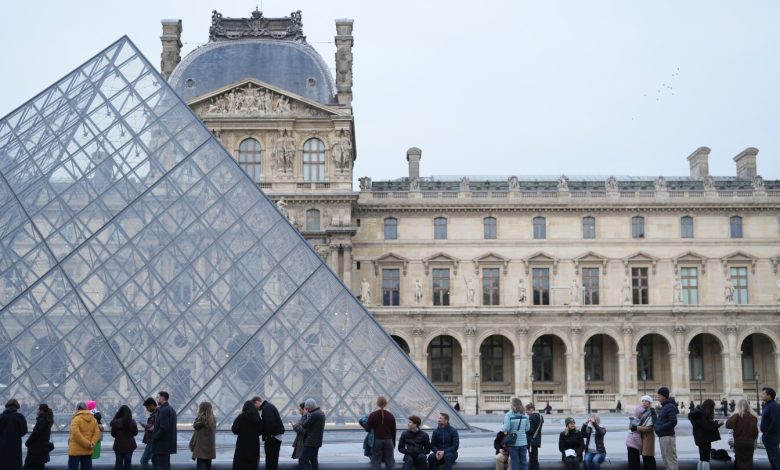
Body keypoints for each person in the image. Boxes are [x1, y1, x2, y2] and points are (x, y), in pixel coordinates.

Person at [688, 399, 723, 470]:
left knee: (702, 458)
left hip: (699, 438)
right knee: (706, 459)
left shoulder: (697, 412)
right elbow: (707, 428)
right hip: (705, 439)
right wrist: (718, 424)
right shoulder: (702, 414)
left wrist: (716, 423)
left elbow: (705, 425)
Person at [363, 396, 396, 470]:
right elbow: (393, 431)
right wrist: (393, 443)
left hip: (377, 441)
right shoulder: (391, 416)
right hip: (389, 441)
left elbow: (367, 429)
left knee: (376, 463)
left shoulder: (372, 415)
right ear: (386, 403)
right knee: (390, 463)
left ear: (377, 403)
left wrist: (364, 423)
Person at [253, 395, 285, 470]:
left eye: (254, 405)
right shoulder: (268, 406)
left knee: (271, 461)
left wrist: (268, 436)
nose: (255, 408)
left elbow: (270, 423)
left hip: (273, 439)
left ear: (257, 402)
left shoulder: (266, 408)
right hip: (275, 437)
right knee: (273, 460)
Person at [726, 398, 758, 470]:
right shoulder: (753, 416)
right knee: (749, 462)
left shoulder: (737, 415)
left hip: (739, 442)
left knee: (739, 462)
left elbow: (728, 425)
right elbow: (755, 433)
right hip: (750, 443)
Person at [67, 401, 101, 470]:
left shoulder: (76, 419)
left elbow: (75, 434)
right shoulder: (93, 419)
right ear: (86, 408)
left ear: (77, 408)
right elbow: (97, 433)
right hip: (88, 449)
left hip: (75, 449)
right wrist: (92, 443)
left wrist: (87, 444)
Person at [626, 397, 656, 470]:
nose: (644, 402)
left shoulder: (651, 412)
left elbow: (649, 428)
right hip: (642, 438)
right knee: (645, 458)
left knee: (648, 458)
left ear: (649, 403)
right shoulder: (643, 414)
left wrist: (637, 428)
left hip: (647, 438)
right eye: (643, 401)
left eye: (646, 401)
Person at [231, 401, 262, 470]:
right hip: (254, 444)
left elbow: (234, 430)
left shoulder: (241, 417)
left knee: (241, 463)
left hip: (242, 444)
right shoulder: (257, 418)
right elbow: (260, 431)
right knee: (252, 463)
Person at [501, 397, 529, 470]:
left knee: (515, 463)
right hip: (523, 443)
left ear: (512, 405)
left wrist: (502, 426)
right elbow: (527, 428)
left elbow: (506, 428)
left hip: (513, 443)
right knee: (524, 462)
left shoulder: (508, 415)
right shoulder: (525, 415)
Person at [151, 391, 177, 470]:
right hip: (168, 443)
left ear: (162, 398)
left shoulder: (164, 410)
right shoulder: (171, 409)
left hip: (162, 444)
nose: (156, 399)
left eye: (157, 397)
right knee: (166, 465)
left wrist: (154, 437)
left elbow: (164, 428)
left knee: (163, 466)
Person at [23, 403, 53, 470]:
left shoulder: (41, 421)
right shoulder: (47, 420)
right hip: (42, 450)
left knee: (28, 466)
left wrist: (27, 443)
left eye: (37, 409)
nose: (36, 411)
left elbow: (35, 434)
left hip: (36, 451)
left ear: (41, 411)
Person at [297, 398, 325, 470]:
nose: (306, 409)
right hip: (317, 442)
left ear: (309, 407)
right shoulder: (321, 413)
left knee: (303, 461)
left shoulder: (314, 415)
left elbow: (304, 425)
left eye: (307, 408)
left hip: (310, 442)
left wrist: (304, 415)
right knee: (314, 460)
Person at [1, 398, 28, 470]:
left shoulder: (1, 416)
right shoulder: (20, 416)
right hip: (15, 445)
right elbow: (24, 431)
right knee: (15, 464)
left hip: (2, 445)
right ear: (17, 407)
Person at [655, 387, 678, 470]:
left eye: (659, 395)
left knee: (670, 461)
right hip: (663, 436)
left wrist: (660, 428)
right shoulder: (665, 406)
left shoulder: (670, 407)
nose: (657, 397)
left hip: (667, 437)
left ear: (664, 397)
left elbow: (673, 421)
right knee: (666, 461)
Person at [110, 405, 138, 470]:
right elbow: (135, 433)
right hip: (130, 446)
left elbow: (113, 434)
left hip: (118, 446)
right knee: (128, 464)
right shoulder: (132, 422)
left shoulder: (116, 422)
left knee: (118, 463)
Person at [192, 402, 216, 470]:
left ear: (201, 409)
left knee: (201, 465)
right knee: (208, 465)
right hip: (209, 448)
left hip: (201, 449)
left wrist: (198, 417)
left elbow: (195, 426)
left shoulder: (201, 420)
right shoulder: (213, 419)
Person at [760, 387, 780, 469]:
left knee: (775, 458)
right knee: (771, 458)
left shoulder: (773, 406)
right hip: (768, 436)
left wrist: (768, 432)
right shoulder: (767, 405)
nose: (761, 395)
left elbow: (776, 422)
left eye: (763, 394)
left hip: (772, 436)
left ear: (769, 395)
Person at [138, 398, 157, 470]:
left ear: (152, 405)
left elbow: (155, 427)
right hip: (153, 441)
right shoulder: (156, 414)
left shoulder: (157, 414)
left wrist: (145, 425)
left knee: (144, 461)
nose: (147, 409)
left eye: (147, 407)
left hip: (152, 441)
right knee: (154, 461)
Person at [525, 403, 543, 470]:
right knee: (535, 458)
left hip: (531, 441)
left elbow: (531, 430)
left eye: (527, 411)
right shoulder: (540, 416)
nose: (526, 412)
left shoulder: (532, 417)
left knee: (532, 460)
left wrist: (525, 428)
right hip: (537, 440)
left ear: (531, 409)